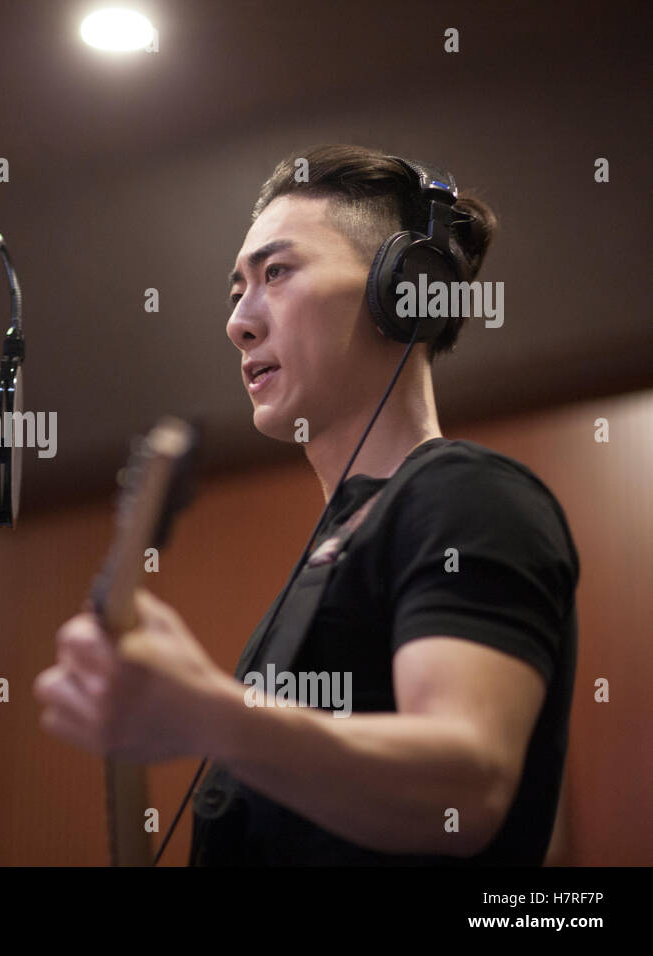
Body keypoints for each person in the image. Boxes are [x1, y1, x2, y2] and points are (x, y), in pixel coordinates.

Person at [33, 144, 580, 865]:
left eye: (277, 273)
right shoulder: (331, 556)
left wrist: (208, 715)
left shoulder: (471, 496)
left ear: (404, 288)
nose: (239, 322)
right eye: (236, 292)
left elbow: (465, 788)